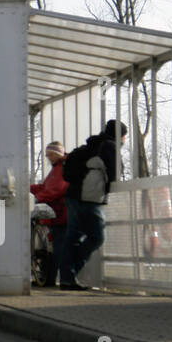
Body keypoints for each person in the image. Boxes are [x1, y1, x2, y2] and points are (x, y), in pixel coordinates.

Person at [59, 120, 126, 290]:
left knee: (72, 237)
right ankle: (70, 272)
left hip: (74, 195)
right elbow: (116, 173)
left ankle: (68, 277)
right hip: (88, 198)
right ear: (120, 136)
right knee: (97, 237)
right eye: (125, 136)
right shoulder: (109, 146)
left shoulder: (92, 145)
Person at [30, 141, 69, 286]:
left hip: (60, 213)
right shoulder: (57, 169)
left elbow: (55, 189)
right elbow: (46, 187)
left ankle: (52, 279)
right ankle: (51, 278)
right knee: (56, 246)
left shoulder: (60, 169)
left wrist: (37, 197)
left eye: (51, 155)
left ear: (58, 154)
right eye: (47, 155)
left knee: (58, 247)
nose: (49, 158)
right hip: (58, 213)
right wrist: (29, 188)